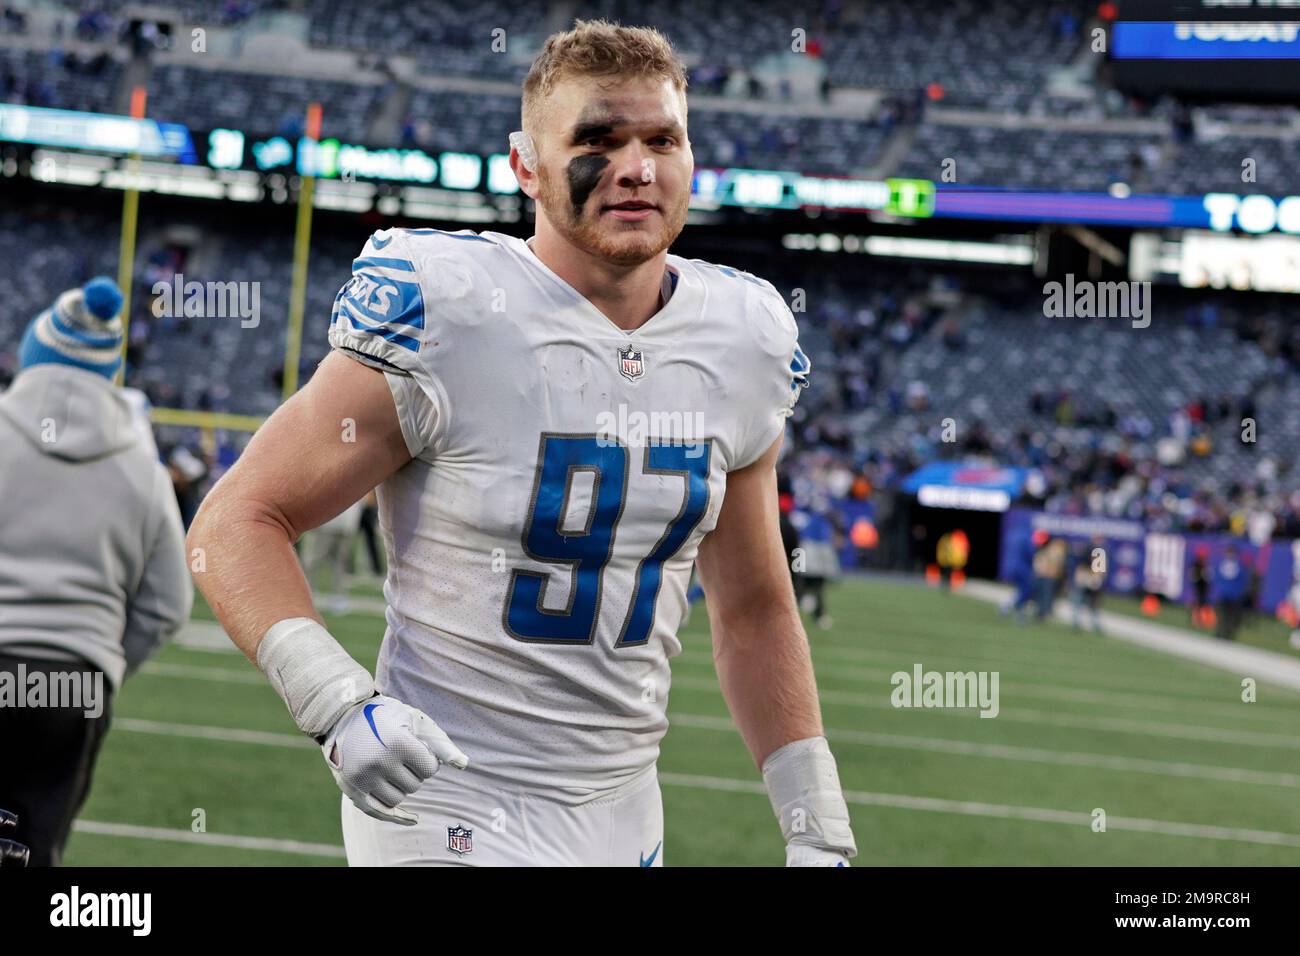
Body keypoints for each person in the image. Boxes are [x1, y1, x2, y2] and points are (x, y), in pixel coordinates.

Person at [187, 20, 855, 867]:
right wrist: (335, 700)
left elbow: (755, 607)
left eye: (663, 139)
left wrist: (813, 814)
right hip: (446, 794)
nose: (637, 168)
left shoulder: (742, 337)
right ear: (526, 164)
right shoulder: (451, 311)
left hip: (623, 809)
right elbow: (236, 520)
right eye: (598, 140)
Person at [0, 278, 192, 866]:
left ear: (35, 354)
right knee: (33, 852)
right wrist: (102, 667)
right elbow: (167, 605)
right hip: (76, 681)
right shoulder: (142, 466)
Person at [1213, 544, 1249, 641]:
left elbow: (1243, 581)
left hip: (1233, 595)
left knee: (1230, 617)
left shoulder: (1238, 566)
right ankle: (1221, 633)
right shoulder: (1224, 564)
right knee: (1223, 616)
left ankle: (1226, 634)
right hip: (1226, 594)